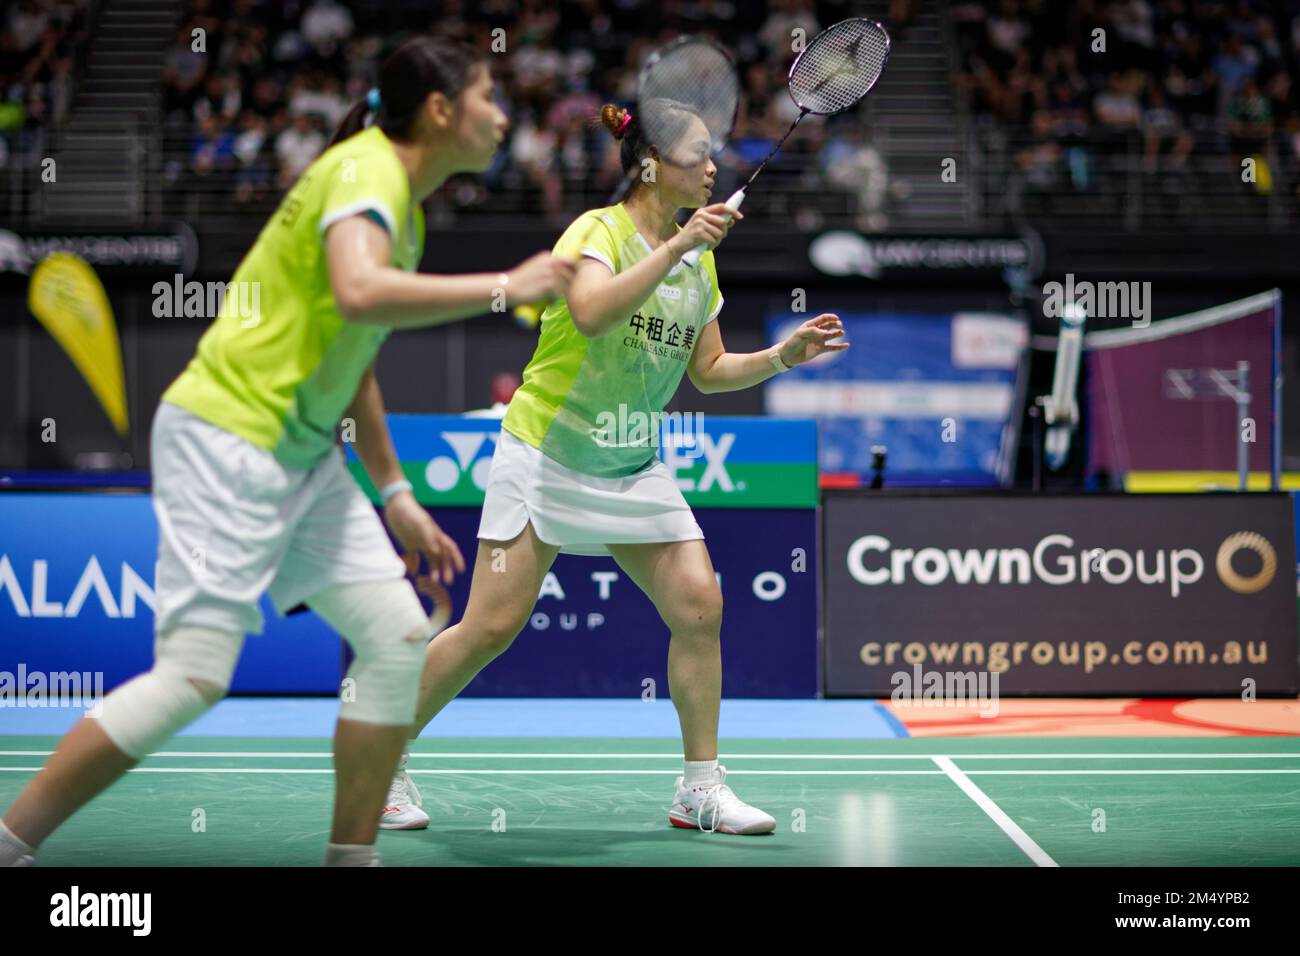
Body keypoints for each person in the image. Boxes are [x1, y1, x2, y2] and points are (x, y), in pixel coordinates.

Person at [0, 35, 575, 868]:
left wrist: (395, 492)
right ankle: (12, 843)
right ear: (442, 110)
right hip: (228, 435)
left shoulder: (403, 214)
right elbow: (358, 288)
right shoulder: (364, 170)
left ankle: (352, 857)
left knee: (393, 636)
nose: (502, 114)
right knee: (192, 678)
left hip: (302, 457)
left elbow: (355, 359)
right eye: (489, 95)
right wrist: (504, 286)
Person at [379, 102, 847, 836]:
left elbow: (714, 369)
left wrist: (783, 356)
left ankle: (700, 788)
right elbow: (592, 312)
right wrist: (676, 246)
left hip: (632, 461)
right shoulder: (598, 231)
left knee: (700, 605)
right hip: (545, 452)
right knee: (490, 627)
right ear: (653, 163)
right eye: (699, 152)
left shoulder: (702, 261)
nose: (715, 167)